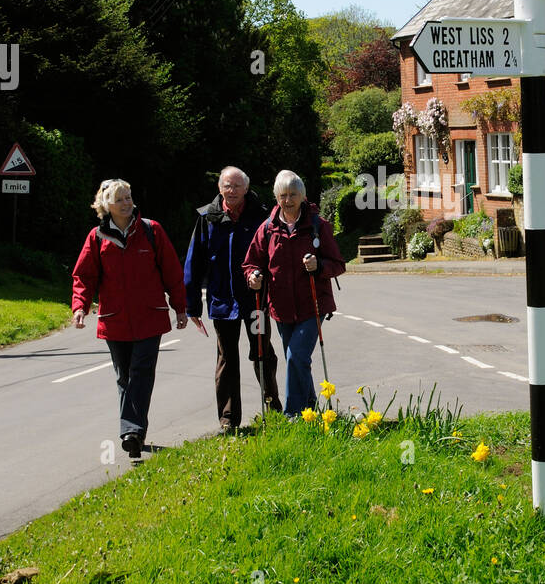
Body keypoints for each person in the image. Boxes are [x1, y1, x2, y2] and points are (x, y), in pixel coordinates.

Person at [71, 179, 187, 460]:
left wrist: (180, 307)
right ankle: (134, 431)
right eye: (120, 199)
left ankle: (131, 431)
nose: (127, 203)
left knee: (141, 371)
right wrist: (80, 306)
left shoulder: (151, 231)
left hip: (150, 317)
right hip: (115, 320)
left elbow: (172, 271)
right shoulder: (97, 237)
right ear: (106, 205)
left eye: (129, 197)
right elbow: (84, 276)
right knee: (124, 376)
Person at [183, 165, 281, 431]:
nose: (232, 190)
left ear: (247, 188)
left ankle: (273, 410)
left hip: (255, 302)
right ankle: (228, 420)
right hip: (222, 302)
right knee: (226, 359)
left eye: (237, 186)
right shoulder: (207, 217)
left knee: (262, 353)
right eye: (227, 185)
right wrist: (191, 305)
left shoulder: (261, 216)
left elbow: (274, 257)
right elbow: (194, 262)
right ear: (219, 188)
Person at [243, 170, 345, 417]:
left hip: (313, 305)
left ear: (302, 196)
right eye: (282, 195)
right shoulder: (267, 229)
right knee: (298, 361)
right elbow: (251, 262)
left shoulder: (318, 226)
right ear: (277, 197)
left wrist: (319, 266)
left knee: (295, 355)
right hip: (281, 307)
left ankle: (293, 414)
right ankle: (310, 411)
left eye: (293, 194)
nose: (287, 200)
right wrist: (253, 276)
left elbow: (338, 264)